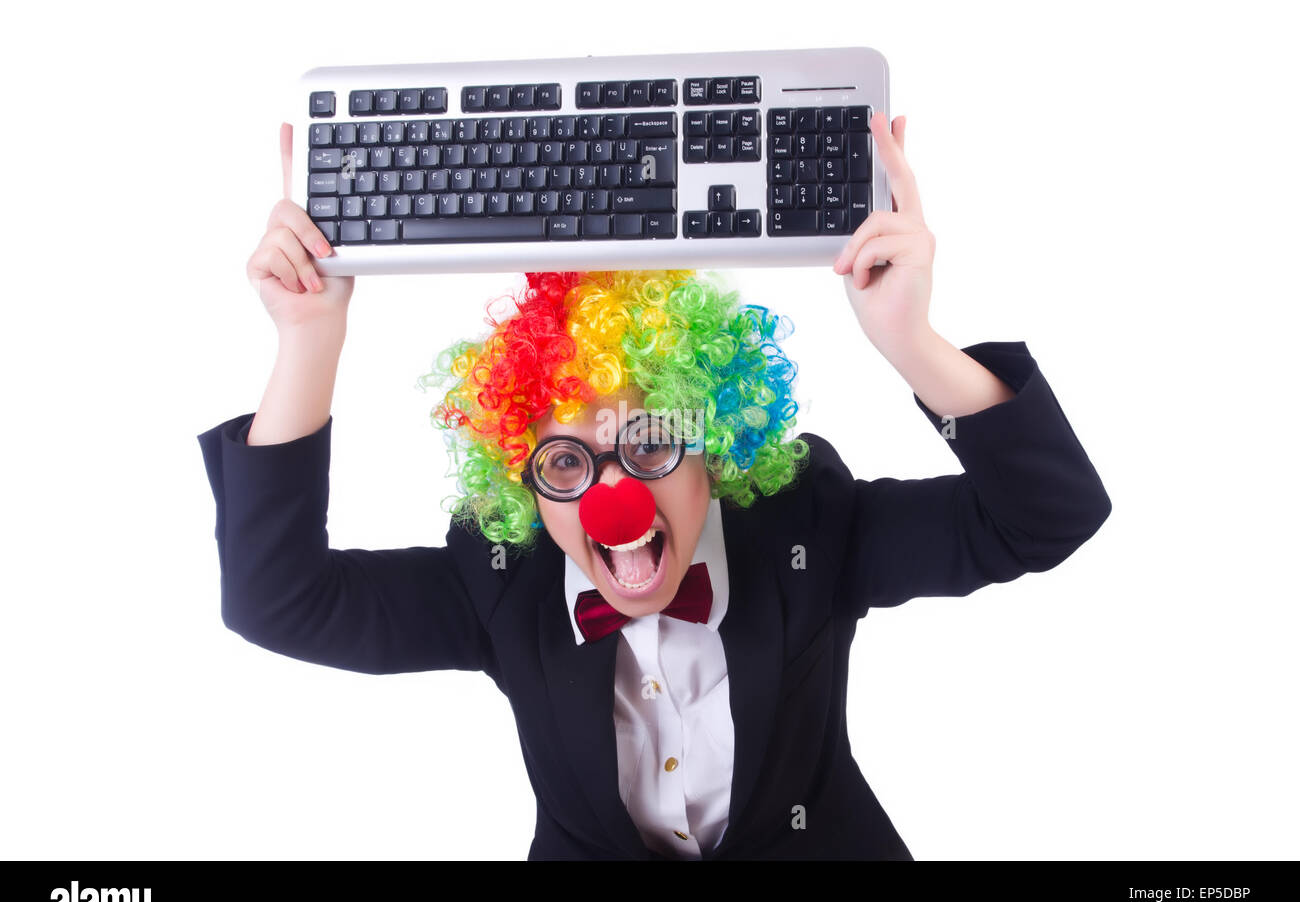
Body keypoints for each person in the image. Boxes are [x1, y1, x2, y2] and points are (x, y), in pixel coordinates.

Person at [197, 115, 1111, 860]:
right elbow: (278, 599)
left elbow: (1048, 514)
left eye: (652, 442)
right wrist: (308, 338)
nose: (615, 498)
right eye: (566, 462)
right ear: (525, 484)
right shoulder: (501, 579)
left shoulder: (808, 524)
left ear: (713, 447)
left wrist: (910, 339)